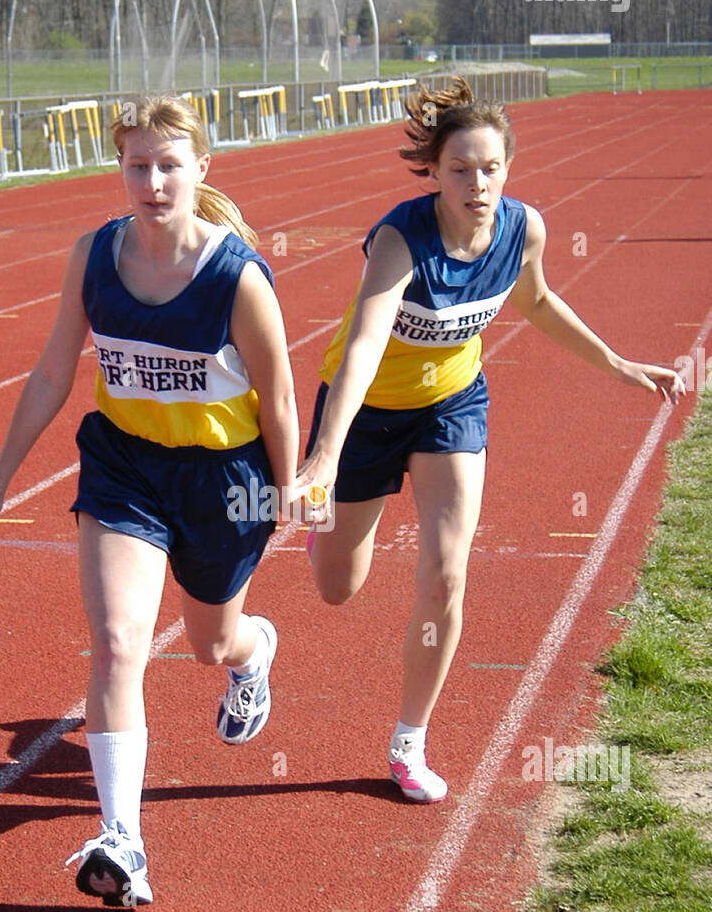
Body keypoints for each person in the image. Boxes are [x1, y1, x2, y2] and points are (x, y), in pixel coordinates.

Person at [293, 77, 685, 805]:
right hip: (367, 409)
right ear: (434, 172)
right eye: (460, 169)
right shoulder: (398, 239)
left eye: (490, 168)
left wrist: (618, 364)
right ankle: (330, 538)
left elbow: (534, 300)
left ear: (508, 167)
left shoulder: (522, 228)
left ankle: (409, 742)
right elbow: (364, 346)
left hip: (451, 406)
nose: (477, 183)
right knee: (336, 589)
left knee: (446, 572)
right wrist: (321, 456)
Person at [0, 93, 297, 906]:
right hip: (124, 470)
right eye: (136, 165)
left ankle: (252, 655)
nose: (151, 181)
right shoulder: (94, 255)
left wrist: (293, 497)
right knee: (117, 642)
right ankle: (124, 839)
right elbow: (52, 372)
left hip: (224, 480)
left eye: (169, 165)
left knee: (212, 642)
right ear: (119, 167)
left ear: (200, 168)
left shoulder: (236, 276)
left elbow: (280, 396)